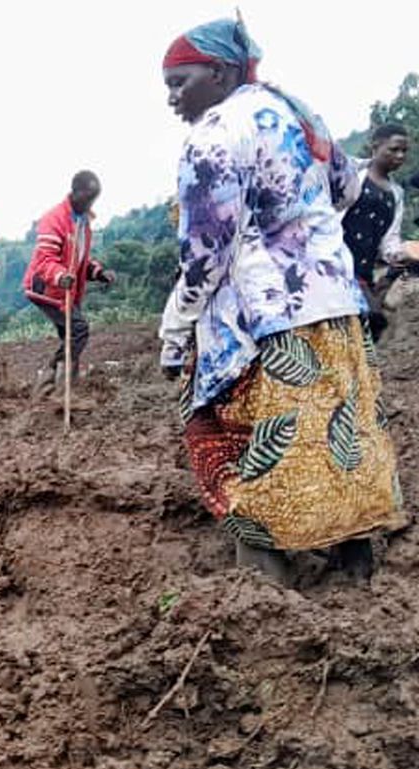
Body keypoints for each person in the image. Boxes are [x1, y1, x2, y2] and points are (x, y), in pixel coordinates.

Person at [158, 16, 405, 583]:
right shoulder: (297, 112)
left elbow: (205, 253)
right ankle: (354, 564)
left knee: (244, 438)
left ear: (218, 73)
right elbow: (348, 185)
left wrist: (176, 327)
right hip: (336, 304)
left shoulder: (213, 136)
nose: (173, 98)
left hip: (267, 318)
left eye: (180, 81)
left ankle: (265, 580)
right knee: (338, 433)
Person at [23, 172, 116, 393]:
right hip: (45, 288)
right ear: (75, 192)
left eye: (94, 198)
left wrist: (98, 272)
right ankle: (52, 379)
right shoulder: (54, 219)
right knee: (78, 329)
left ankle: (59, 385)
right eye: (88, 197)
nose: (90, 203)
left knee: (69, 335)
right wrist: (60, 276)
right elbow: (45, 260)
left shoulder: (83, 221)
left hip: (64, 288)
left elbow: (79, 259)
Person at [341, 124, 414, 341]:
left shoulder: (396, 194)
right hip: (336, 269)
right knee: (370, 320)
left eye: (404, 151)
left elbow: (389, 243)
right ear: (375, 146)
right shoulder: (351, 174)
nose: (400, 156)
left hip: (363, 274)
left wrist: (402, 253)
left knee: (369, 329)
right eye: (393, 149)